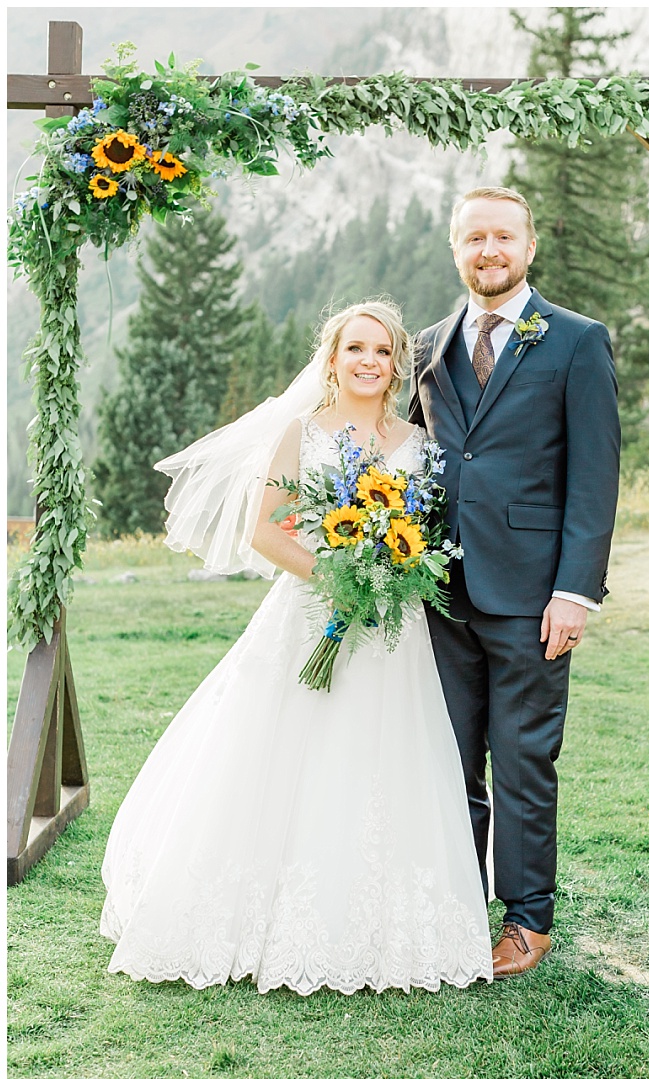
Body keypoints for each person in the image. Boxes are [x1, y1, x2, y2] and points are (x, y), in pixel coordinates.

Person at [100, 299, 493, 994]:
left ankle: (378, 927)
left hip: (387, 633)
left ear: (398, 363)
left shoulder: (415, 444)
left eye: (382, 351)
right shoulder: (300, 433)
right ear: (333, 359)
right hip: (309, 615)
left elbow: (426, 532)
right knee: (276, 753)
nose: (369, 362)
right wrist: (336, 578)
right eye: (356, 349)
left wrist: (392, 571)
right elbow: (267, 529)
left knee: (378, 758)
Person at [409, 186, 621, 978]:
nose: (487, 250)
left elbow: (595, 479)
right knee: (449, 759)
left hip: (534, 597)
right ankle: (460, 906)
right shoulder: (428, 345)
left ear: (529, 247)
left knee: (524, 760)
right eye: (473, 238)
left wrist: (577, 591)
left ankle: (528, 921)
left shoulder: (575, 341)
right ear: (456, 250)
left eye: (502, 236)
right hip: (438, 593)